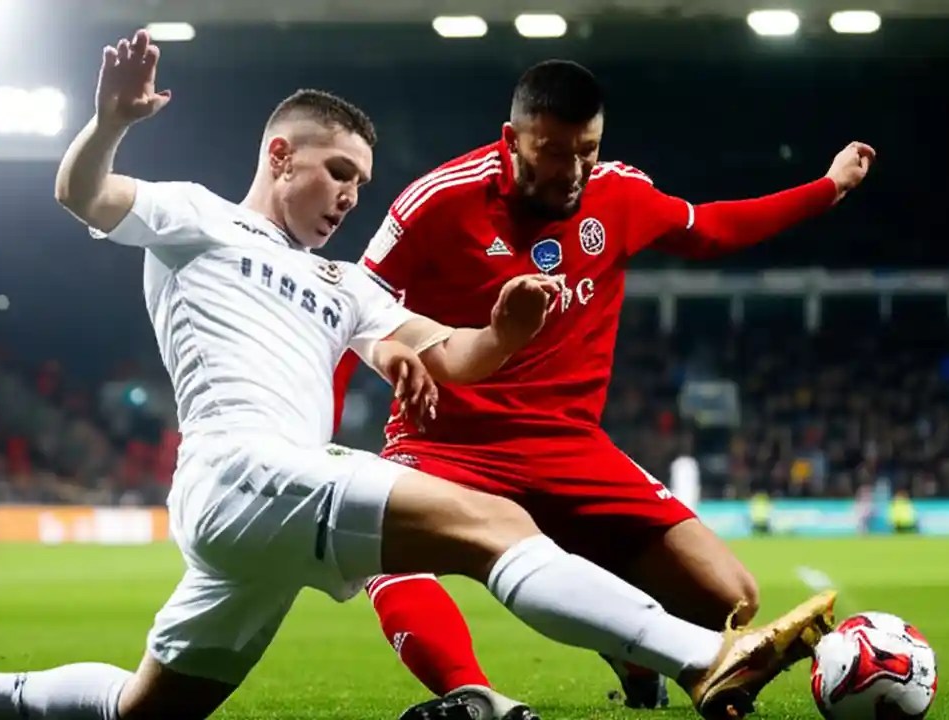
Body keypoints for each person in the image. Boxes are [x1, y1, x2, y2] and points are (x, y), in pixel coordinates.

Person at [0, 31, 836, 720]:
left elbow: (448, 355)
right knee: (497, 524)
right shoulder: (199, 218)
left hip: (260, 515)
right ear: (279, 154)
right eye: (336, 173)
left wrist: (501, 332)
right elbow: (81, 193)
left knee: (145, 709)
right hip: (239, 469)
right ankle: (704, 660)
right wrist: (109, 124)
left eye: (361, 185)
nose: (348, 197)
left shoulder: (343, 284)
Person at [333, 58, 873, 712]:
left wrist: (826, 189)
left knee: (732, 599)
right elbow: (350, 306)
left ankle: (629, 646)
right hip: (446, 444)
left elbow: (711, 229)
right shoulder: (440, 200)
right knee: (385, 549)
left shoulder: (620, 194)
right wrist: (321, 427)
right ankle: (472, 699)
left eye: (586, 150)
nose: (573, 170)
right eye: (553, 152)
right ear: (512, 140)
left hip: (571, 449)